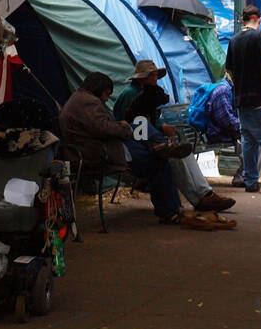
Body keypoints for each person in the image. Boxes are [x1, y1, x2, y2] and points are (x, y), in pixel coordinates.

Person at [58, 72, 186, 223]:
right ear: (98, 88)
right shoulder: (88, 102)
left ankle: (159, 147)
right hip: (98, 152)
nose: (106, 99)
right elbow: (103, 128)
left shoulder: (79, 99)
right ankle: (169, 211)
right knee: (157, 162)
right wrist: (122, 127)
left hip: (93, 147)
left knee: (139, 128)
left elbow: (100, 126)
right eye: (106, 94)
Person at [118, 60, 235, 213]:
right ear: (142, 78)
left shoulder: (148, 92)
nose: (156, 78)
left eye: (156, 75)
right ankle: (200, 198)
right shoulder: (131, 95)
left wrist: (160, 128)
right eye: (152, 75)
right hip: (135, 147)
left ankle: (206, 193)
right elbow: (128, 125)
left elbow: (148, 121)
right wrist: (159, 129)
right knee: (173, 158)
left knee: (184, 153)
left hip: (149, 140)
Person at [225, 6, 261, 193]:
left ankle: (250, 181)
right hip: (260, 97)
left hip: (241, 99)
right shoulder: (259, 36)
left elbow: (229, 68)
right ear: (259, 19)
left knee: (248, 141)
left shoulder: (233, 41)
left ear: (242, 21)